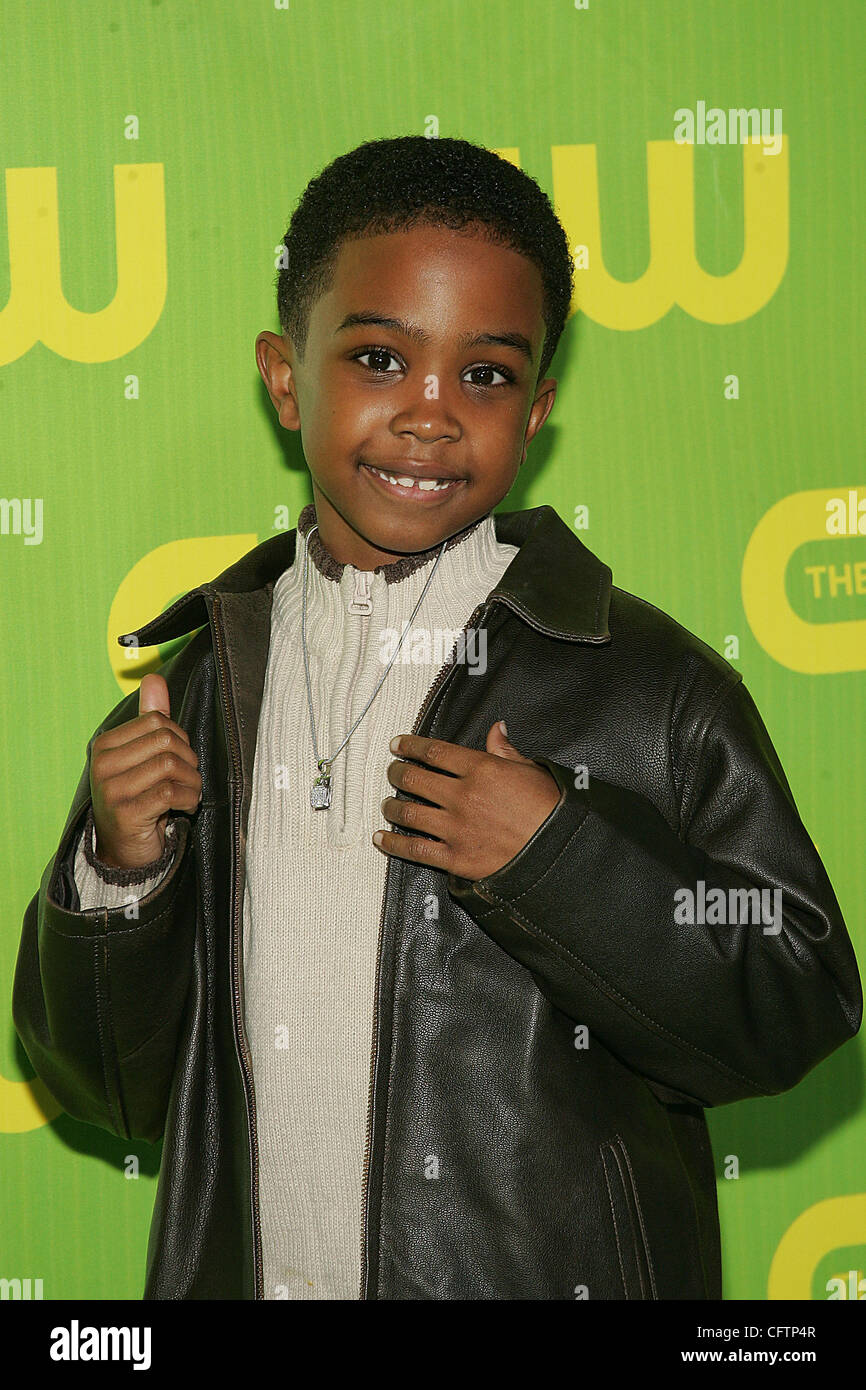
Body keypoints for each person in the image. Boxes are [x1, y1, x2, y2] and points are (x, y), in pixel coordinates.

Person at [13, 135, 862, 1300]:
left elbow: (794, 1000)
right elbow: (107, 1088)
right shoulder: (200, 690)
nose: (430, 416)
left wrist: (559, 861)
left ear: (538, 408)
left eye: (486, 375)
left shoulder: (643, 683)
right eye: (378, 358)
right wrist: (120, 878)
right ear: (283, 377)